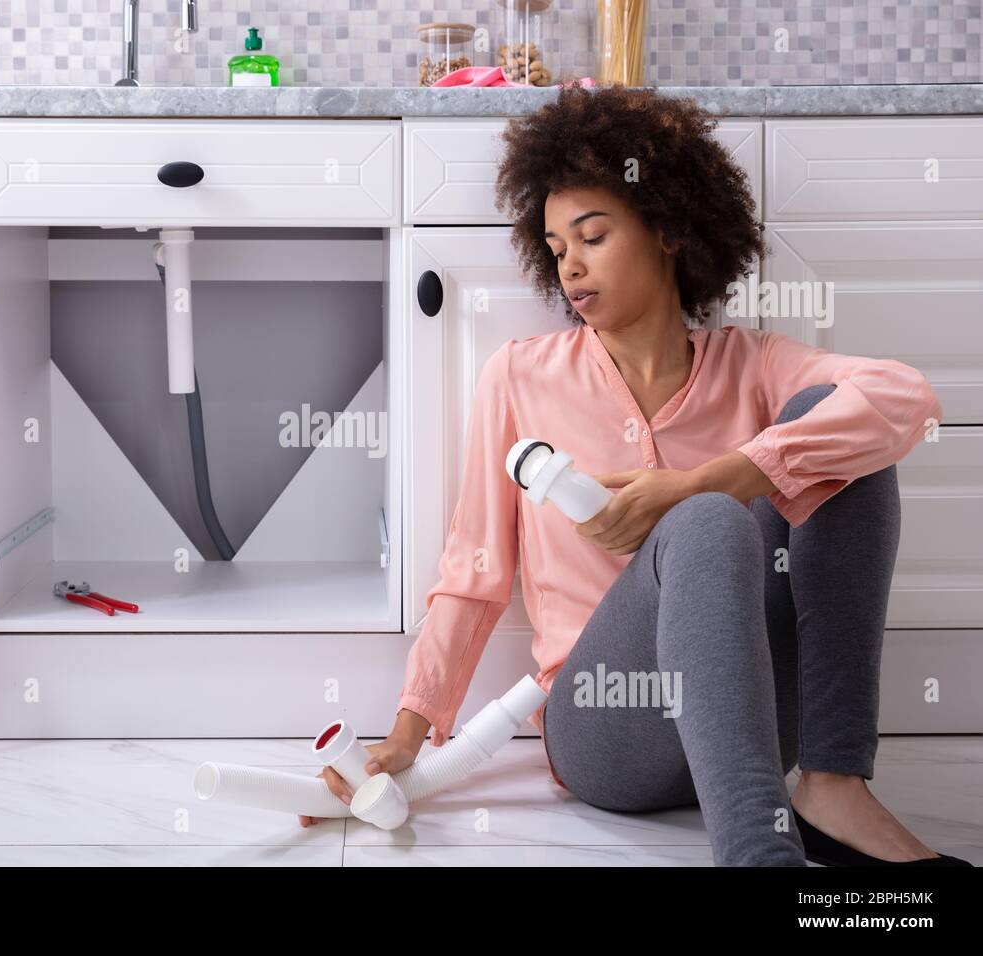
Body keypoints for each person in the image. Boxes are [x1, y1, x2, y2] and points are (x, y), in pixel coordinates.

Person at [300, 86, 971, 867]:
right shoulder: (520, 376)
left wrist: (715, 476)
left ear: (666, 230)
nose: (571, 266)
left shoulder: (752, 365)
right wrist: (412, 729)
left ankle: (832, 784)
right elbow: (474, 570)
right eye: (556, 249)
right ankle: (760, 854)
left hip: (757, 711)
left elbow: (907, 399)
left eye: (592, 235)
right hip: (608, 727)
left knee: (838, 433)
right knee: (710, 521)